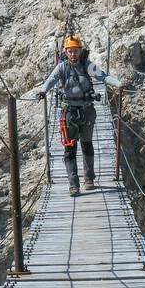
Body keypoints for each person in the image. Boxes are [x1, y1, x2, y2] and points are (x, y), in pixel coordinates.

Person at [28, 35, 122, 196]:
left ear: (80, 51)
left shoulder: (87, 65)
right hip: (69, 112)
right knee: (69, 149)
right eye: (70, 51)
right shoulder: (62, 67)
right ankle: (74, 184)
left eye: (76, 51)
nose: (73, 54)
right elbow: (52, 79)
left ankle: (89, 179)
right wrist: (43, 91)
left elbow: (103, 77)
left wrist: (119, 84)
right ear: (66, 52)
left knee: (87, 145)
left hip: (86, 111)